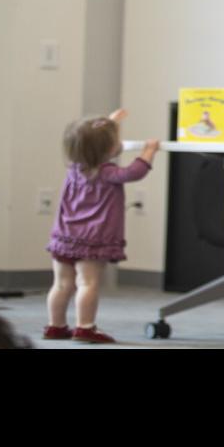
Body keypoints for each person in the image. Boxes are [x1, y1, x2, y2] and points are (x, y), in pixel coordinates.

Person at [43, 109, 161, 344]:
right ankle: (85, 328)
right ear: (108, 150)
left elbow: (91, 139)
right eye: (116, 141)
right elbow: (134, 172)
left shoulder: (75, 168)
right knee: (87, 283)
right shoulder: (107, 173)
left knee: (62, 283)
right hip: (92, 239)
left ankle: (55, 326)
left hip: (64, 236)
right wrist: (149, 150)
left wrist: (111, 121)